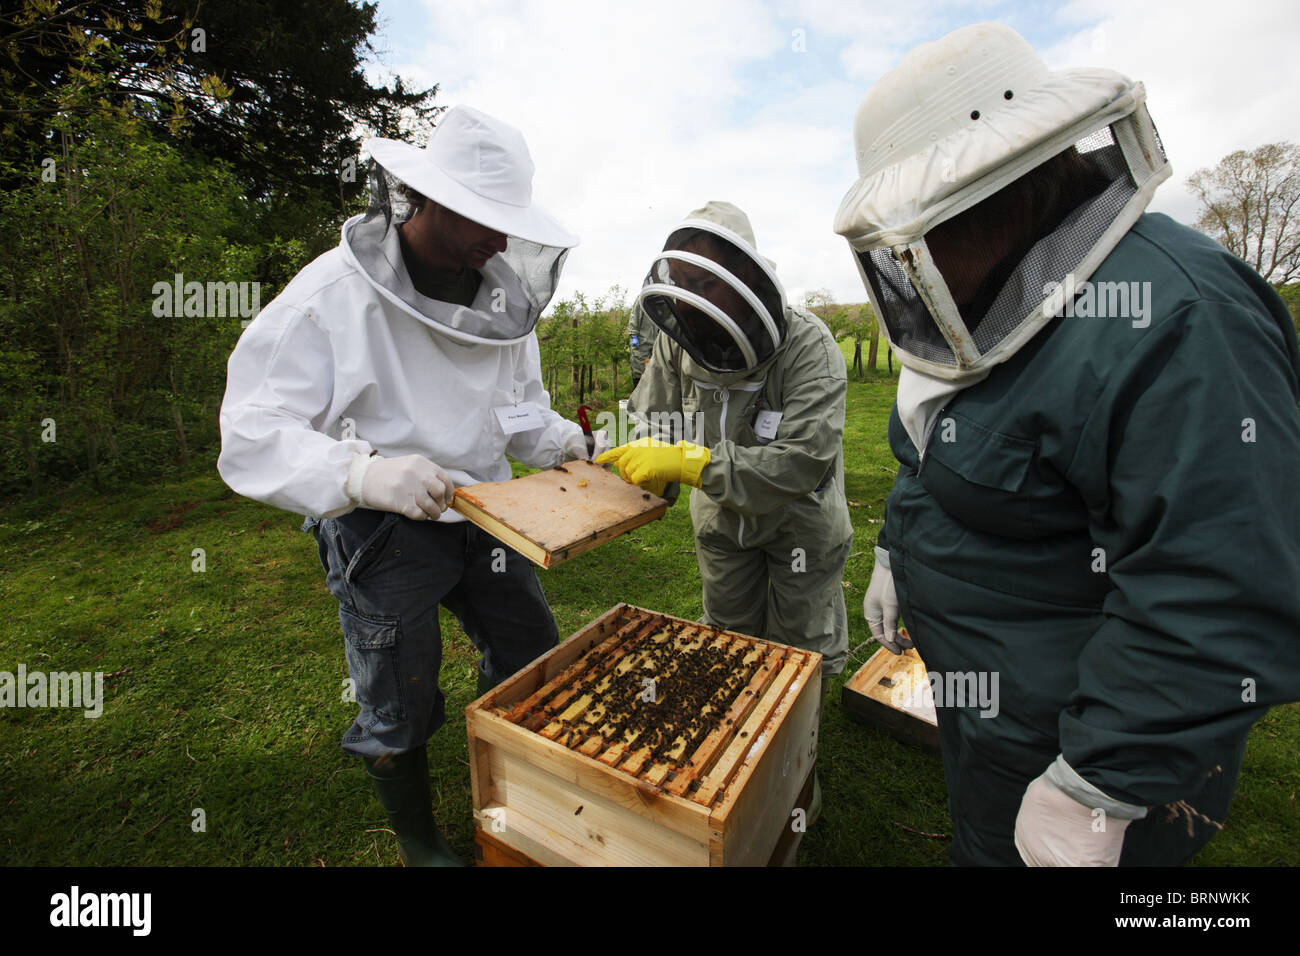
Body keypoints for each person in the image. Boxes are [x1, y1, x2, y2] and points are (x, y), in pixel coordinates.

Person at [835, 22, 1300, 866]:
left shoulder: (1183, 318)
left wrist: (1101, 783)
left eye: (922, 229)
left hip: (1084, 751)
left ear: (995, 197)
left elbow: (1220, 586)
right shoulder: (989, 308)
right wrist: (897, 552)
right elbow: (928, 456)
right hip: (994, 720)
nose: (914, 263)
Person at [218, 105, 604, 866]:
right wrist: (361, 473)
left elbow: (516, 409)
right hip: (380, 528)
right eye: (486, 220)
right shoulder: (328, 297)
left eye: (509, 222)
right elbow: (250, 432)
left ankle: (528, 790)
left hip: (487, 515)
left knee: (531, 652)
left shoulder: (501, 300)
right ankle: (421, 843)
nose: (501, 240)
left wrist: (568, 443)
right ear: (428, 201)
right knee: (398, 689)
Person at [600, 201, 852, 695]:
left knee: (798, 651)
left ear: (744, 278)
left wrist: (695, 462)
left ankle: (792, 760)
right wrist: (647, 471)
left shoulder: (808, 346)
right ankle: (737, 745)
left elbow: (801, 460)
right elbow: (656, 423)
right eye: (684, 283)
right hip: (720, 522)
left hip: (797, 522)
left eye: (705, 284)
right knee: (729, 640)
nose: (691, 301)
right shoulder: (676, 340)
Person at [627, 300, 659, 386]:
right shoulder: (642, 299)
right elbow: (634, 317)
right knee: (639, 372)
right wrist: (633, 335)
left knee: (653, 375)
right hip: (640, 344)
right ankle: (637, 397)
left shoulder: (658, 302)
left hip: (654, 345)